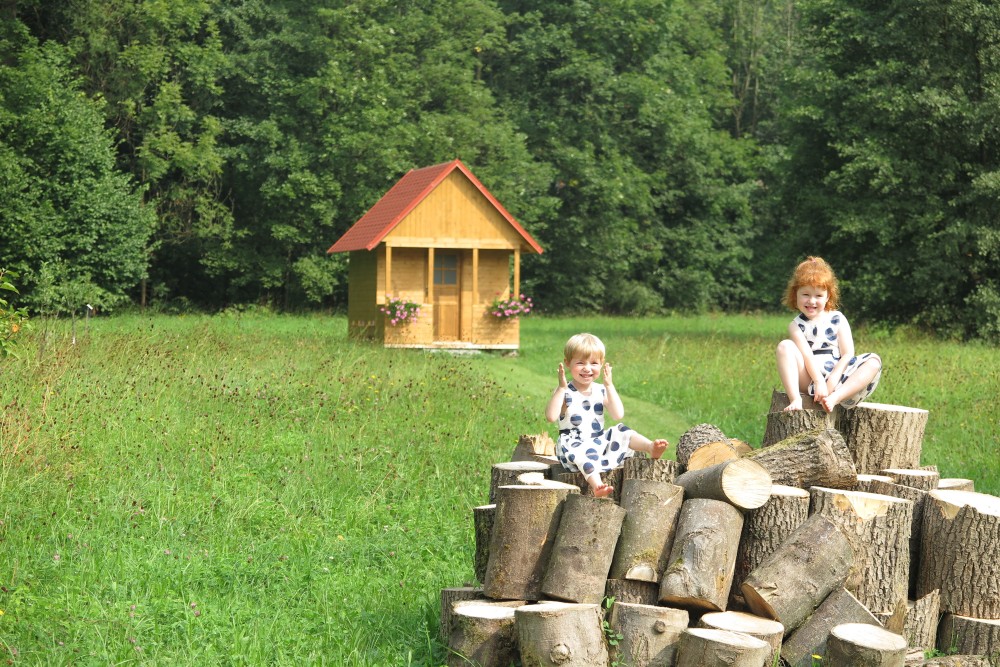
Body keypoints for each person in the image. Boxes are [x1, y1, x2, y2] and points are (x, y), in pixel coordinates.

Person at [545, 333, 669, 497]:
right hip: (573, 446)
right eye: (580, 363)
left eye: (594, 363)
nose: (587, 368)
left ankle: (650, 447)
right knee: (583, 455)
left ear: (602, 364)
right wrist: (560, 388)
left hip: (597, 441)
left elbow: (618, 414)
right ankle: (597, 486)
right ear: (568, 363)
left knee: (622, 430)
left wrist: (609, 386)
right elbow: (551, 417)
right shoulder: (565, 391)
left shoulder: (600, 390)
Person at [775, 256, 882, 413]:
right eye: (805, 294)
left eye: (818, 296)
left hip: (839, 377)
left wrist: (832, 380)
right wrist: (819, 381)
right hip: (810, 379)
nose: (812, 301)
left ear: (828, 297)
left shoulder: (837, 318)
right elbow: (807, 356)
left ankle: (835, 398)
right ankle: (796, 399)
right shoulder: (796, 325)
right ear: (795, 295)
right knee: (784, 346)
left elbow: (847, 354)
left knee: (874, 361)